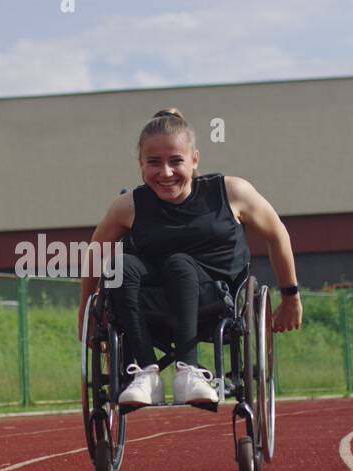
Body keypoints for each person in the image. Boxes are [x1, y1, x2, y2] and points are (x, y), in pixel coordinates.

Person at [78, 108, 303, 407]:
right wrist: (86, 315)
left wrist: (291, 297)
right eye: (154, 163)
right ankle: (146, 374)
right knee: (121, 265)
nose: (166, 172)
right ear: (141, 165)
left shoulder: (231, 192)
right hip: (153, 303)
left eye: (176, 161)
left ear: (195, 159)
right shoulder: (128, 206)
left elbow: (277, 234)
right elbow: (96, 254)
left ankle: (189, 371)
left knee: (180, 263)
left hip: (215, 298)